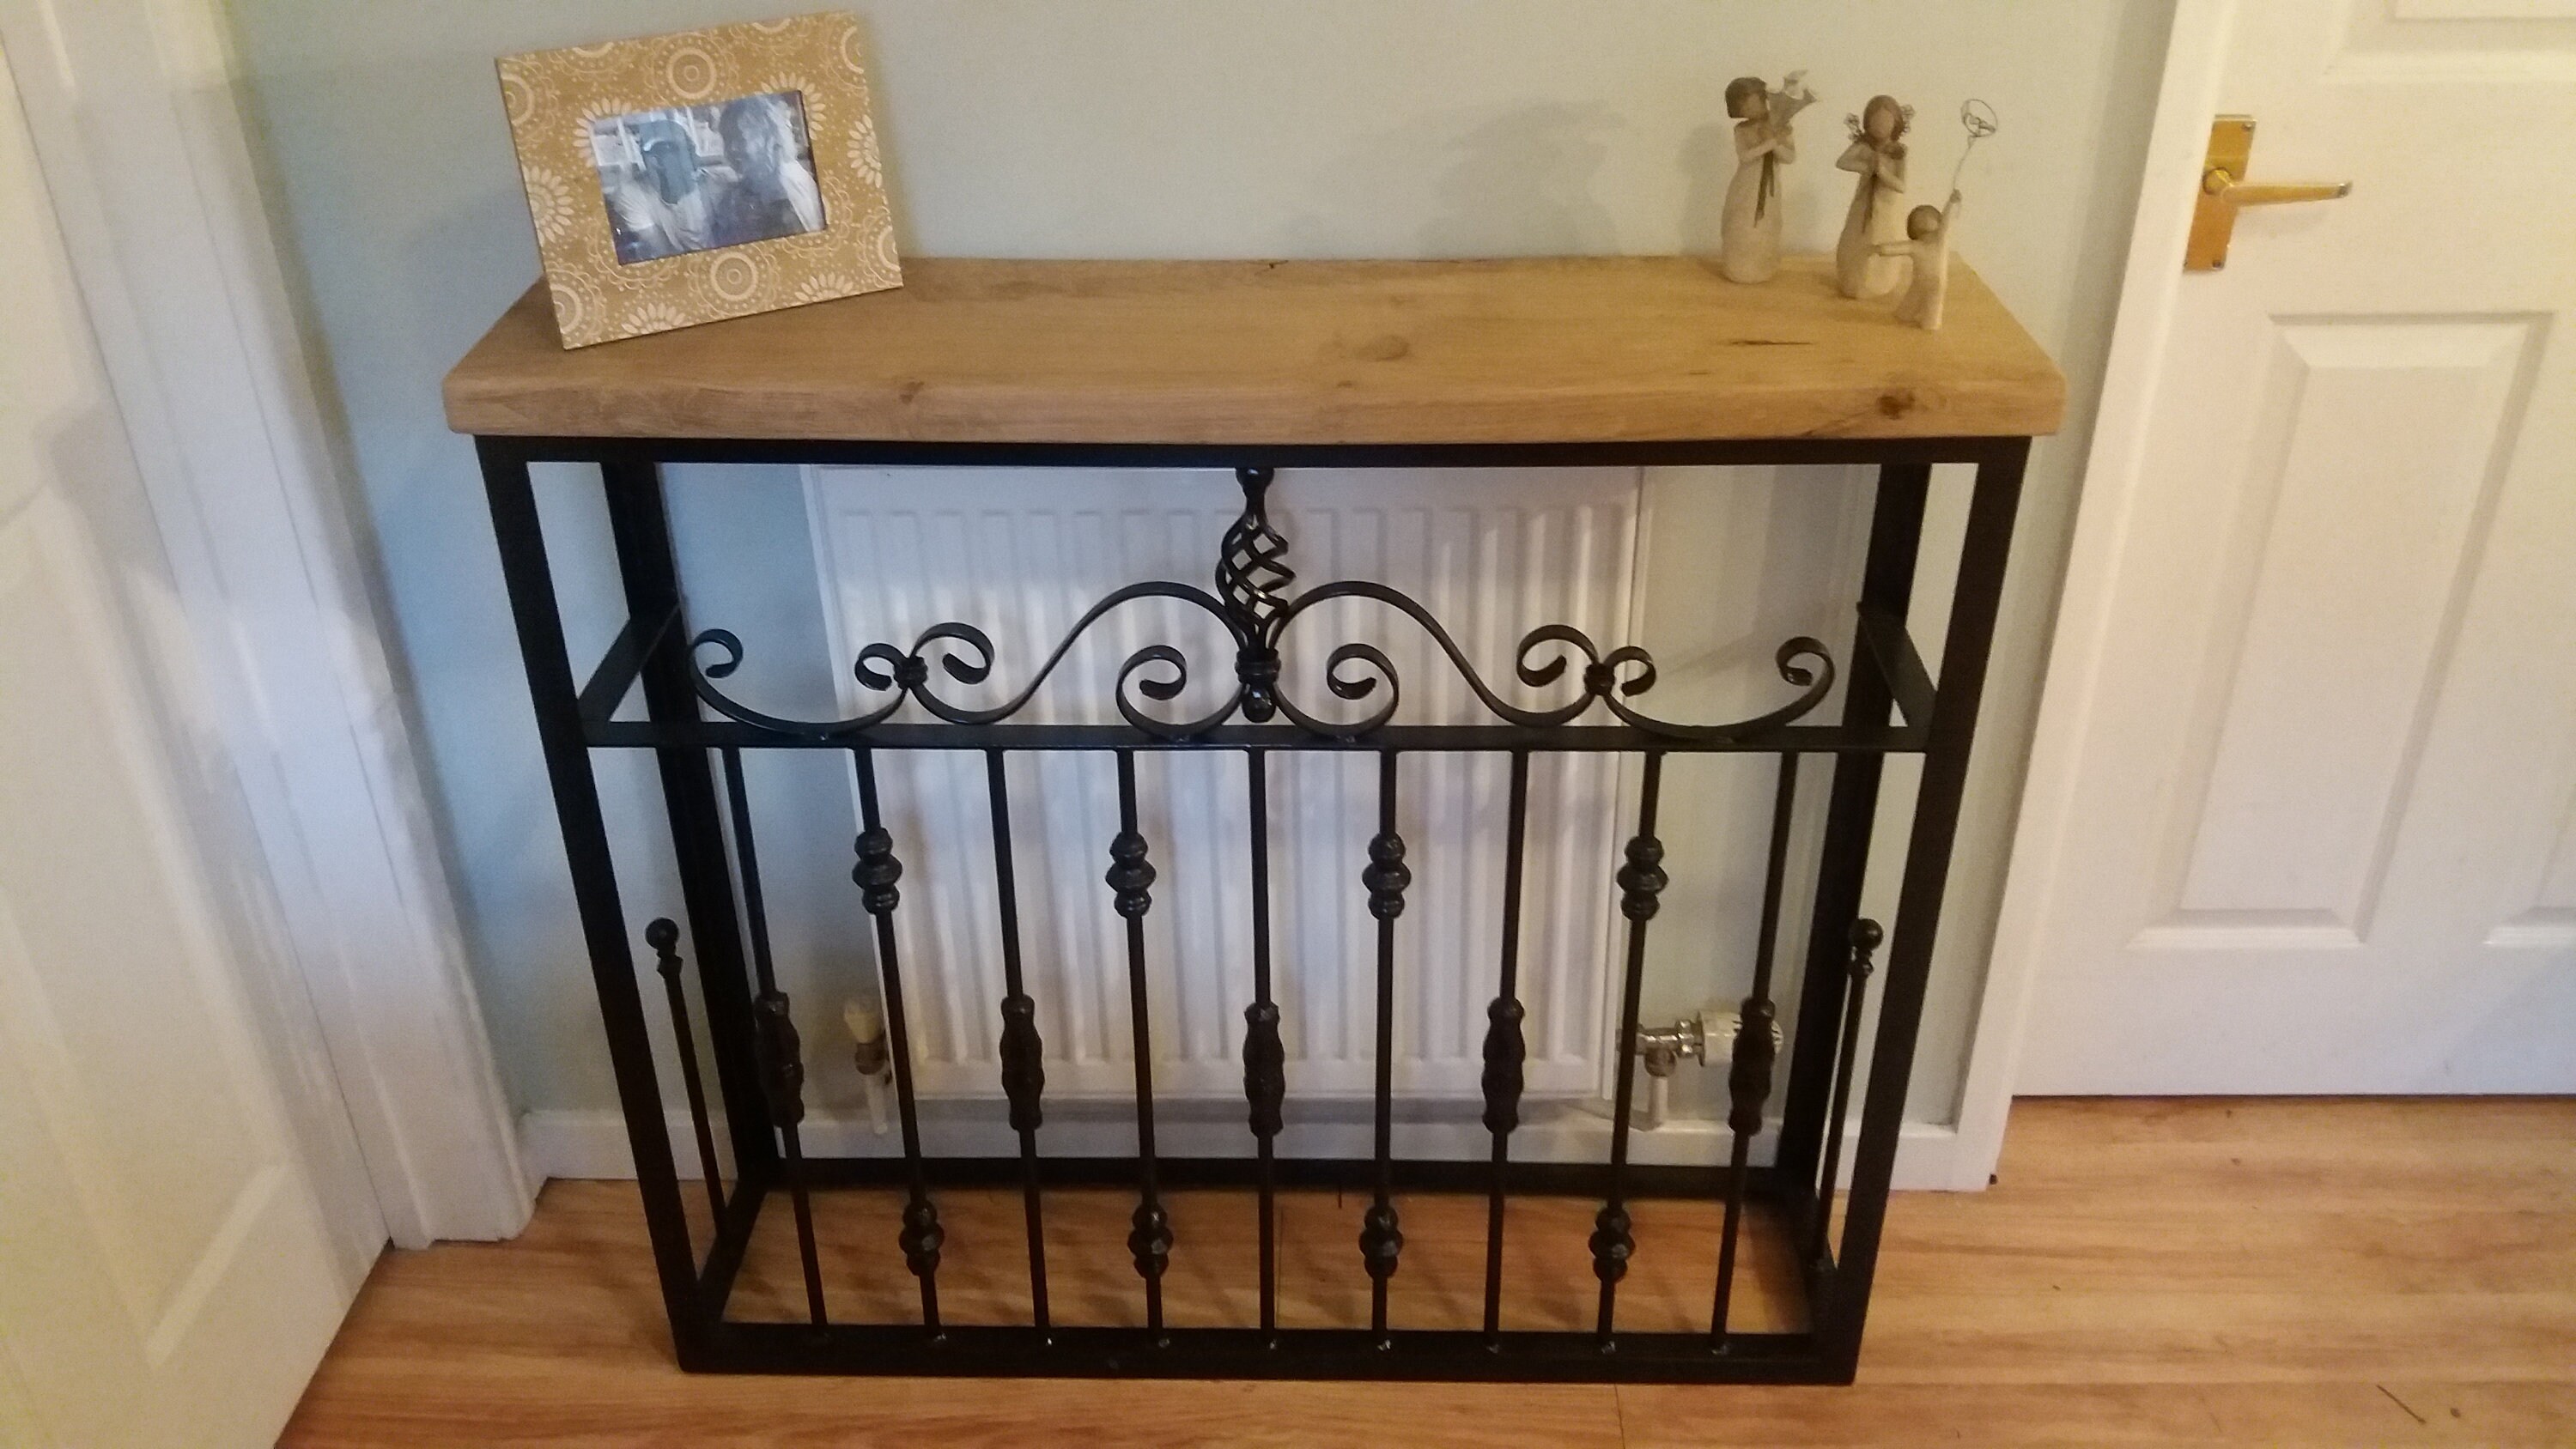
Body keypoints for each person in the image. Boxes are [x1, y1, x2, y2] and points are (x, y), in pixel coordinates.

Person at [1718, 70, 1815, 284]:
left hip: (1770, 193)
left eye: (1756, 103)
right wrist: (1770, 143)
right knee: (1741, 225)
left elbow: (1790, 157)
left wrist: (1776, 141)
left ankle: (1761, 266)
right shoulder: (1742, 130)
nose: (1752, 109)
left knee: (1766, 226)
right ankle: (1738, 267)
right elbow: (1745, 157)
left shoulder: (1781, 126)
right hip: (1746, 188)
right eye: (1745, 107)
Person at [709, 94, 824, 248]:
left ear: (768, 138)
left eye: (740, 138)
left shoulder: (789, 181)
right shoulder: (738, 192)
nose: (733, 148)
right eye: (728, 140)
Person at [600, 112, 714, 264]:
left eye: (669, 149)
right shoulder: (632, 193)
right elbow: (662, 253)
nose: (657, 162)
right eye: (654, 153)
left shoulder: (716, 186)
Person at [1834, 95, 1911, 300]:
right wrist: (1867, 167)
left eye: (1886, 122)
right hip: (1862, 206)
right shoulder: (1864, 146)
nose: (1880, 126)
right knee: (1856, 239)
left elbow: (1901, 186)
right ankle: (1853, 280)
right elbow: (1841, 162)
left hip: (1887, 209)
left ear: (1896, 124)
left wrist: (1882, 173)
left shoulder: (1899, 152)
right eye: (1876, 121)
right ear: (1867, 122)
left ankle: (1880, 283)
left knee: (1882, 241)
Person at [1879, 190, 1963, 330]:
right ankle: (1906, 315)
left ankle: (1931, 323)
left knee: (1932, 311)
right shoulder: (1916, 246)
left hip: (1936, 283)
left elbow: (1947, 222)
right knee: (1907, 308)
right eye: (1918, 216)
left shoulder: (1940, 241)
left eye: (1928, 215)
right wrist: (1880, 249)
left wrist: (1951, 203)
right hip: (1918, 281)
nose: (1923, 217)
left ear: (1938, 221)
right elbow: (1898, 248)